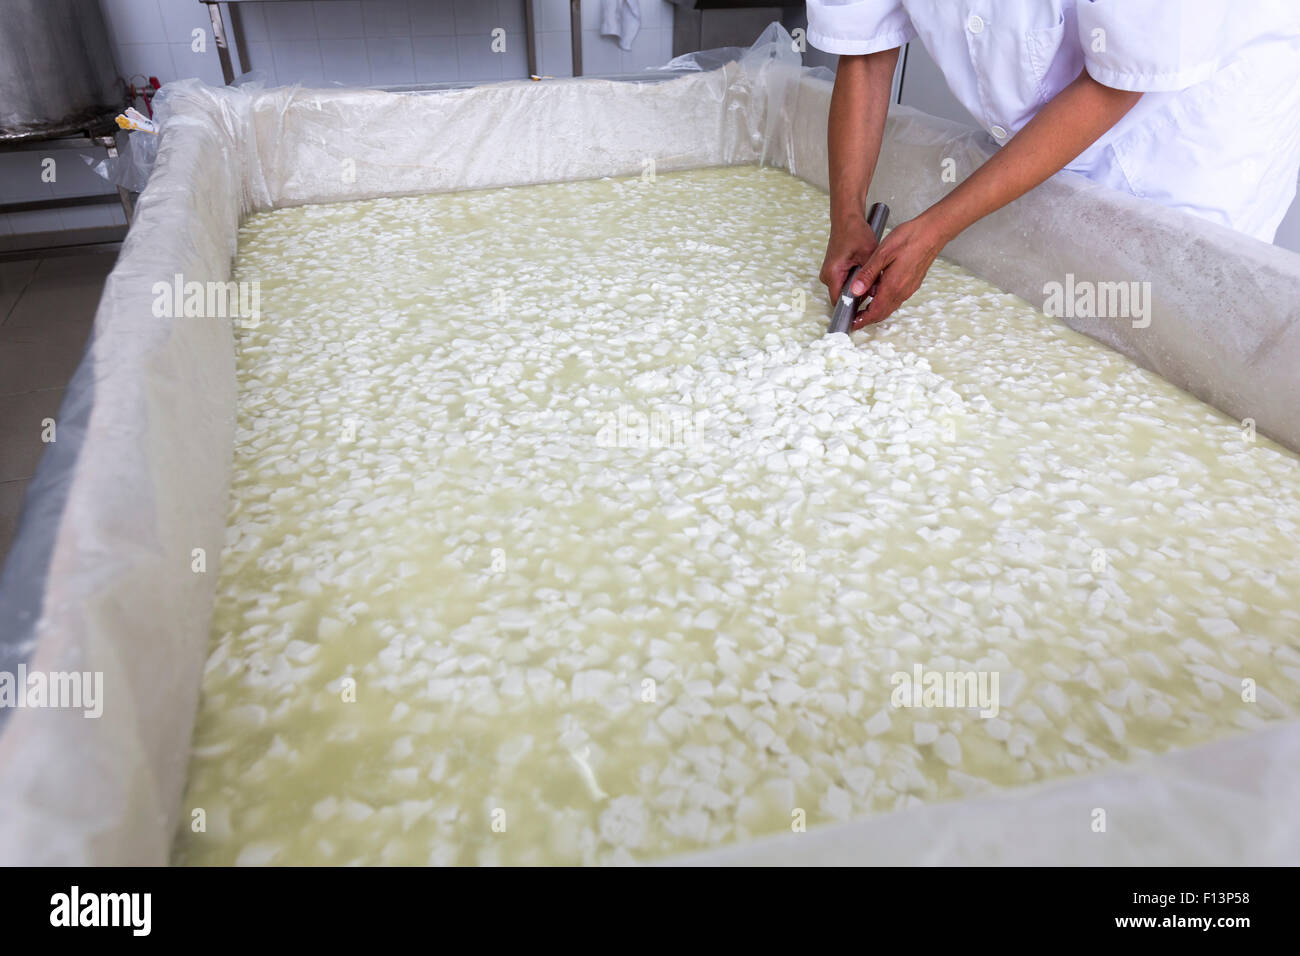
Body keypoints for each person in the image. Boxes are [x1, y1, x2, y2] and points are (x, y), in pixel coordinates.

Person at [808, 0, 1300, 326]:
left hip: (1187, 130)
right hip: (1054, 127)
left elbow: (1118, 81)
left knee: (1178, 324)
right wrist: (846, 214)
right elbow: (867, 49)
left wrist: (938, 227)